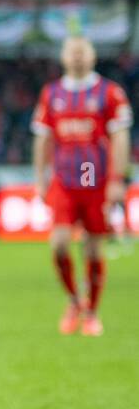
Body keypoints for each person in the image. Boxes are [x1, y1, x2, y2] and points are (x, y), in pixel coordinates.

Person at [31, 35, 132, 335]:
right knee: (60, 244)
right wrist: (40, 178)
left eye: (82, 51)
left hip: (97, 183)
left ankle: (92, 312)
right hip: (64, 181)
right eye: (71, 51)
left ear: (92, 55)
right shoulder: (52, 94)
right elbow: (43, 138)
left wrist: (117, 180)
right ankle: (75, 300)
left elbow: (121, 138)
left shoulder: (110, 93)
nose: (76, 56)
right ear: (63, 57)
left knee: (92, 250)